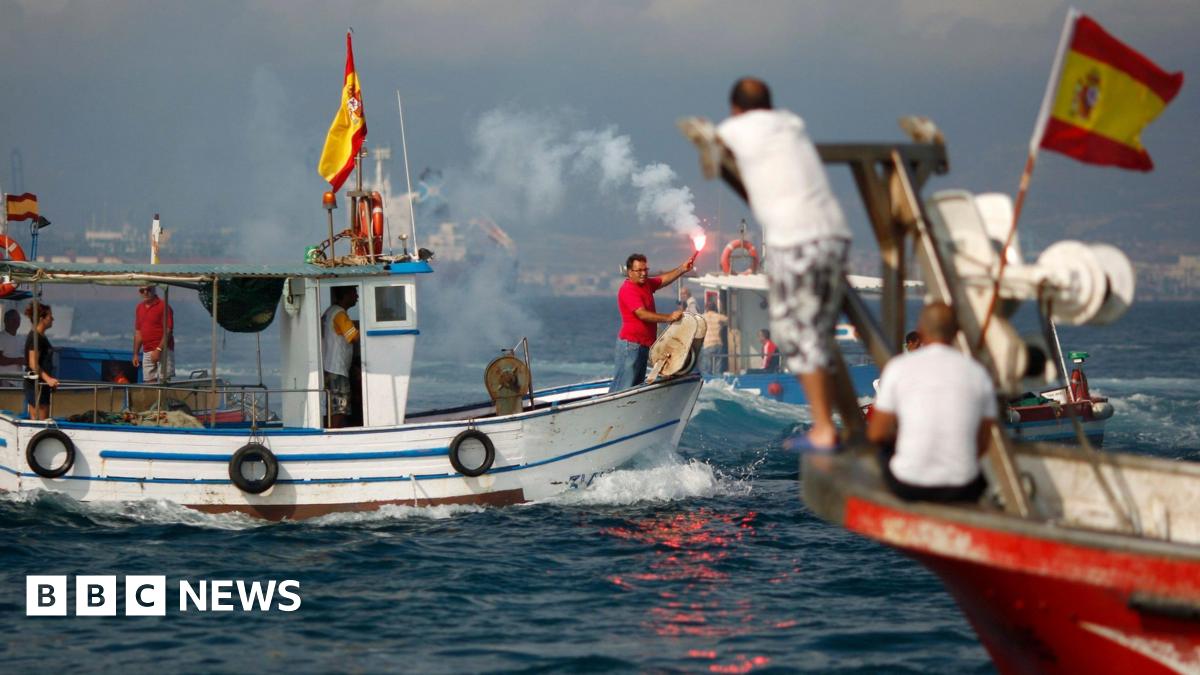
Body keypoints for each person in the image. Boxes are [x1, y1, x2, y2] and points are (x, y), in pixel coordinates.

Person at [717, 77, 852, 451]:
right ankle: (844, 420)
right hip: (835, 232)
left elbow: (719, 148)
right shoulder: (792, 125)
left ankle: (825, 428)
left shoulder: (738, 127)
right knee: (821, 328)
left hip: (797, 239)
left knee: (795, 332)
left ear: (736, 108)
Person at [867, 303, 995, 503]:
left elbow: (876, 434)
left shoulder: (898, 368)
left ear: (921, 332)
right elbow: (983, 443)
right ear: (956, 332)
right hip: (962, 487)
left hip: (908, 484)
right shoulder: (979, 373)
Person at [610, 253, 693, 392]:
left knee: (635, 388)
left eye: (645, 270)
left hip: (644, 346)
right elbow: (641, 314)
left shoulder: (646, 284)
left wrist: (682, 269)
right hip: (631, 346)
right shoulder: (628, 289)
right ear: (630, 272)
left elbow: (662, 280)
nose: (643, 273)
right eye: (639, 270)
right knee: (623, 388)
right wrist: (669, 317)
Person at [322, 285, 360, 428]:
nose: (357, 297)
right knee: (340, 406)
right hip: (337, 368)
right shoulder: (340, 314)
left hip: (329, 366)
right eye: (354, 293)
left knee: (333, 407)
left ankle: (331, 432)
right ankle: (334, 435)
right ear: (346, 294)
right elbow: (353, 337)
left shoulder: (329, 312)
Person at [132, 284, 175, 383]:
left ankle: (165, 398)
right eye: (142, 290)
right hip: (147, 350)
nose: (145, 292)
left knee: (165, 381)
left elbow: (168, 330)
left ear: (154, 289)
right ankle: (152, 399)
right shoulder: (139, 308)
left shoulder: (164, 306)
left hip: (163, 350)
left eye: (148, 289)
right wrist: (135, 354)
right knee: (149, 382)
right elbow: (138, 332)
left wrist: (158, 349)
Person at [23, 302, 58, 420]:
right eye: (50, 316)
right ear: (42, 318)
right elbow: (33, 364)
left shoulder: (41, 337)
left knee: (40, 418)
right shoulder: (35, 338)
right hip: (36, 385)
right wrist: (48, 379)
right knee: (40, 420)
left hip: (41, 384)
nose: (52, 319)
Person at [700, 297, 728, 374]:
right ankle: (717, 382)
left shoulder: (703, 317)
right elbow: (728, 320)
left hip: (707, 344)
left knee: (706, 368)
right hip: (718, 343)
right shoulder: (719, 316)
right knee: (718, 368)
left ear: (706, 308)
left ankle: (706, 383)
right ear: (715, 308)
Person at [0, 309, 25, 378]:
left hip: (18, 380)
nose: (16, 322)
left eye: (18, 319)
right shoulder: (1, 337)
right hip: (3, 379)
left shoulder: (21, 339)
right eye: (13, 319)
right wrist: (17, 360)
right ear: (5, 321)